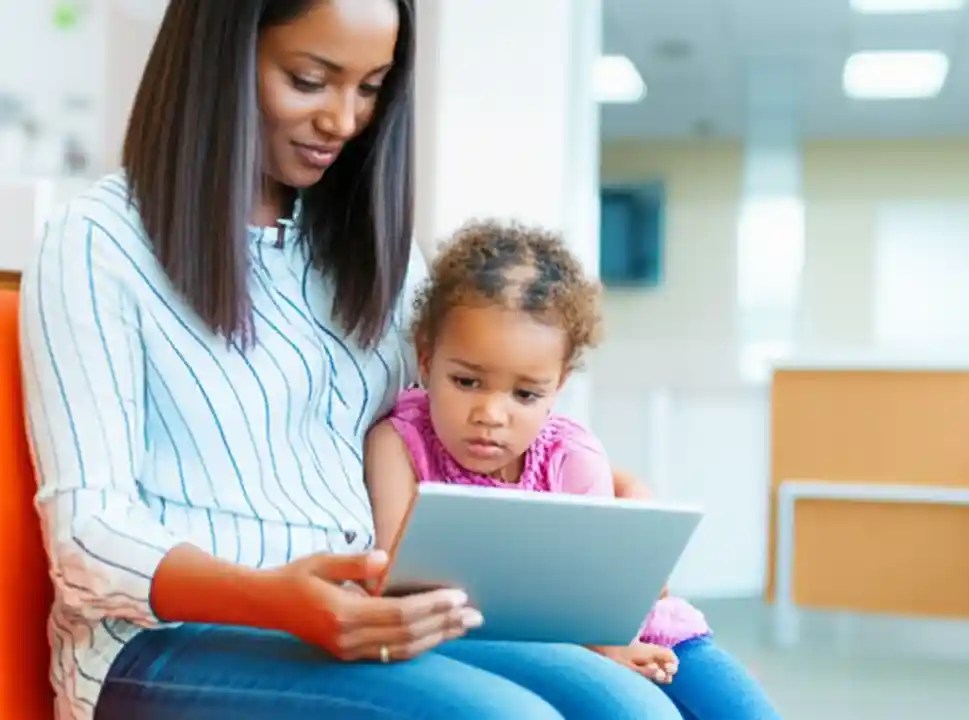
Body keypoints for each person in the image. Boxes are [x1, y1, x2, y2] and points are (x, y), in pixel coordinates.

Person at [20, 1, 680, 718]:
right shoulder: (97, 243)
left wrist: (603, 498)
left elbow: (440, 425)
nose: (343, 120)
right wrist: (278, 600)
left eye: (369, 88)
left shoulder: (376, 252)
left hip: (371, 609)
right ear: (219, 61)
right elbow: (87, 535)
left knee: (632, 709)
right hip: (168, 641)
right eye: (310, 80)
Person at [365, 219, 783, 720]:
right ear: (427, 358)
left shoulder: (571, 453)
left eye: (526, 394)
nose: (491, 415)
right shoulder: (398, 443)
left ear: (557, 385)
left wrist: (622, 615)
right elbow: (397, 574)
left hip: (633, 631)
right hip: (502, 641)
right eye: (467, 381)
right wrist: (600, 653)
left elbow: (605, 591)